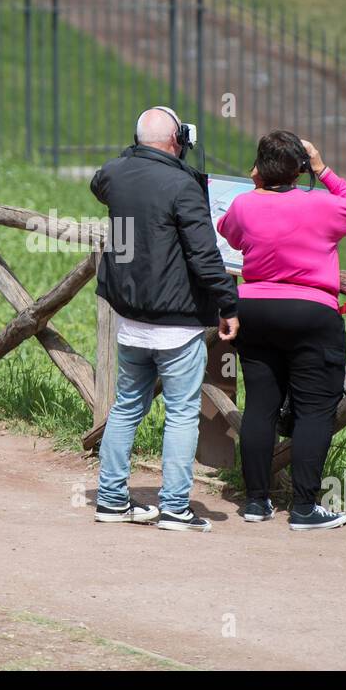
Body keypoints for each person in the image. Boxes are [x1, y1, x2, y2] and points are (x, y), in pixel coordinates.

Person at [89, 107, 239, 533]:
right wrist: (228, 303)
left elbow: (104, 179)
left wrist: (137, 151)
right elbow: (204, 254)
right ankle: (174, 507)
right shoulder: (183, 183)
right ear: (177, 140)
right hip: (177, 321)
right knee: (181, 413)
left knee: (126, 407)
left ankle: (111, 500)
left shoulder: (116, 174)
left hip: (131, 319)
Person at [217, 130, 346, 529]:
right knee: (314, 410)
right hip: (310, 312)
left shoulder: (244, 204)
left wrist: (256, 188)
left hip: (255, 310)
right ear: (301, 168)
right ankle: (303, 507)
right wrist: (323, 169)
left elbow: (227, 232)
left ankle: (255, 502)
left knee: (261, 405)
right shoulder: (320, 203)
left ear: (259, 167)